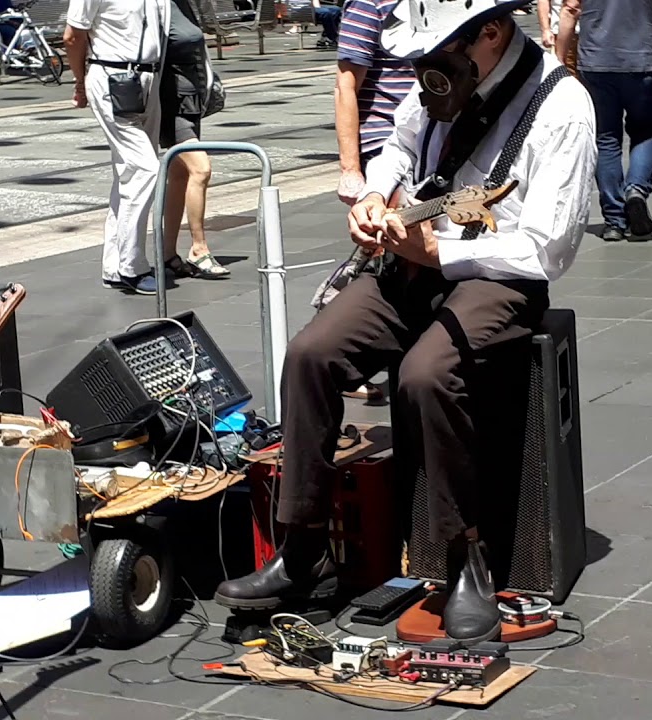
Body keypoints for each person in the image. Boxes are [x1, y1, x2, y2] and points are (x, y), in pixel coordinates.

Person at [214, 0, 597, 645]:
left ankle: (464, 560)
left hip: (495, 274)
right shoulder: (439, 81)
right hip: (415, 258)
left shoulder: (562, 106)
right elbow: (399, 145)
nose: (427, 71)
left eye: (440, 53)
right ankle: (303, 548)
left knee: (425, 375)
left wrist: (446, 252)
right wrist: (370, 195)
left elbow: (547, 249)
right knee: (311, 354)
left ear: (493, 32)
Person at [330, 0, 416, 403]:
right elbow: (346, 83)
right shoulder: (369, 3)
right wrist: (351, 167)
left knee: (390, 254)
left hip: (422, 141)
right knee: (389, 251)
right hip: (385, 146)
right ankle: (340, 350)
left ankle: (344, 351)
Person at [65, 0, 168, 295]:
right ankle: (132, 266)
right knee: (146, 168)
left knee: (128, 173)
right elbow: (73, 36)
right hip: (112, 79)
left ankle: (113, 265)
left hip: (148, 78)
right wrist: (80, 81)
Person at [559, 0, 652, 243]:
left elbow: (570, 8)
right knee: (645, 130)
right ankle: (636, 190)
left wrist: (560, 57)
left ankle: (614, 220)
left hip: (596, 59)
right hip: (643, 57)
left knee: (605, 137)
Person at [158, 0, 230, 280]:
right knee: (201, 169)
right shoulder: (158, 6)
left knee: (180, 175)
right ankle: (199, 249)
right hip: (171, 102)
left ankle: (167, 254)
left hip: (190, 102)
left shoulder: (186, 5)